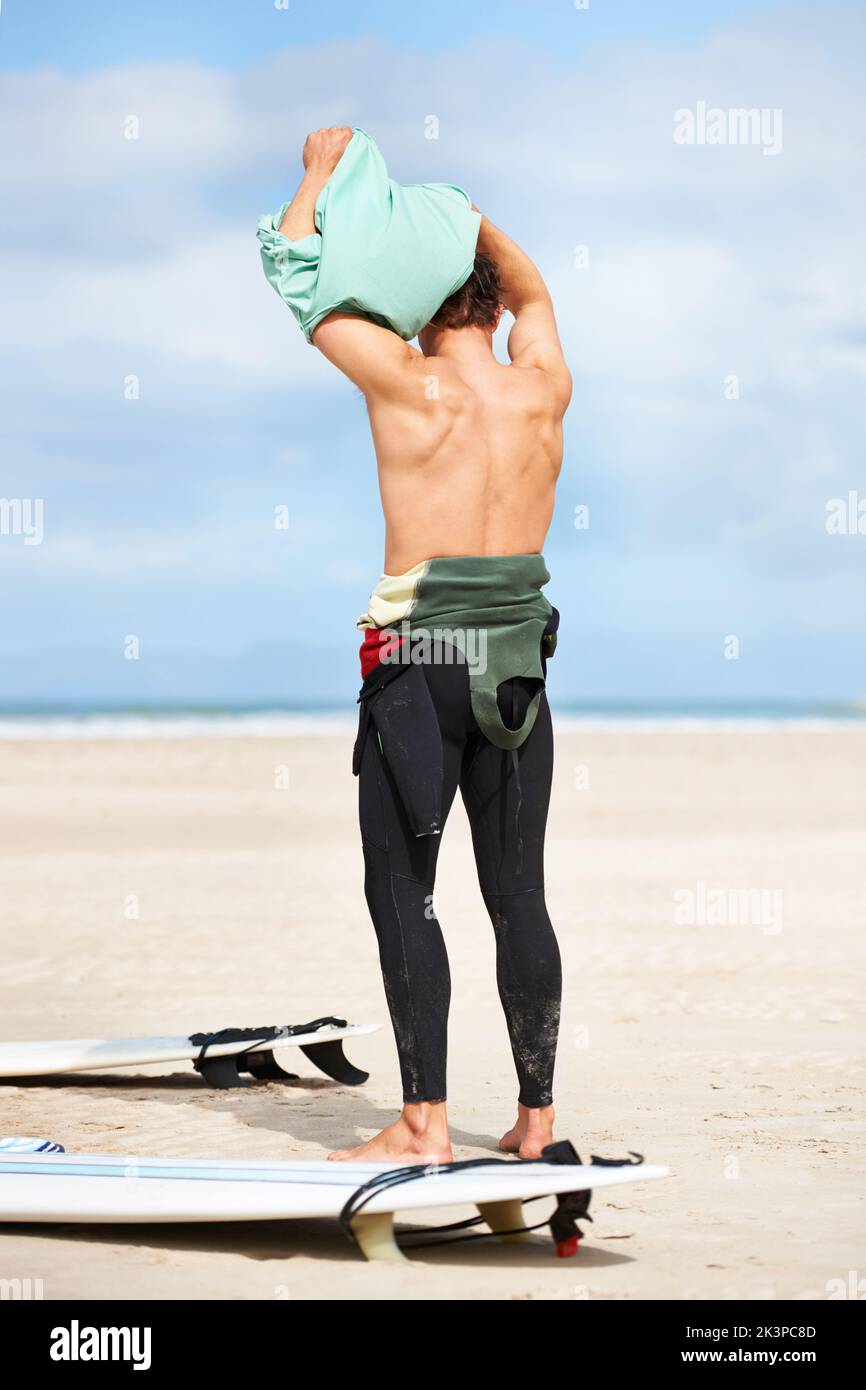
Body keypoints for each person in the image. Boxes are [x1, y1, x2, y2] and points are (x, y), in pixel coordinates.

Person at [280, 127, 572, 1163]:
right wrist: (468, 219)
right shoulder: (541, 386)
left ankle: (423, 1121)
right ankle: (536, 1120)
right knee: (517, 895)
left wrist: (321, 178)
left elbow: (296, 273)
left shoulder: (403, 383)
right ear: (490, 301)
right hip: (517, 671)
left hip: (419, 666)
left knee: (404, 890)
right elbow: (532, 293)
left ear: (416, 300)